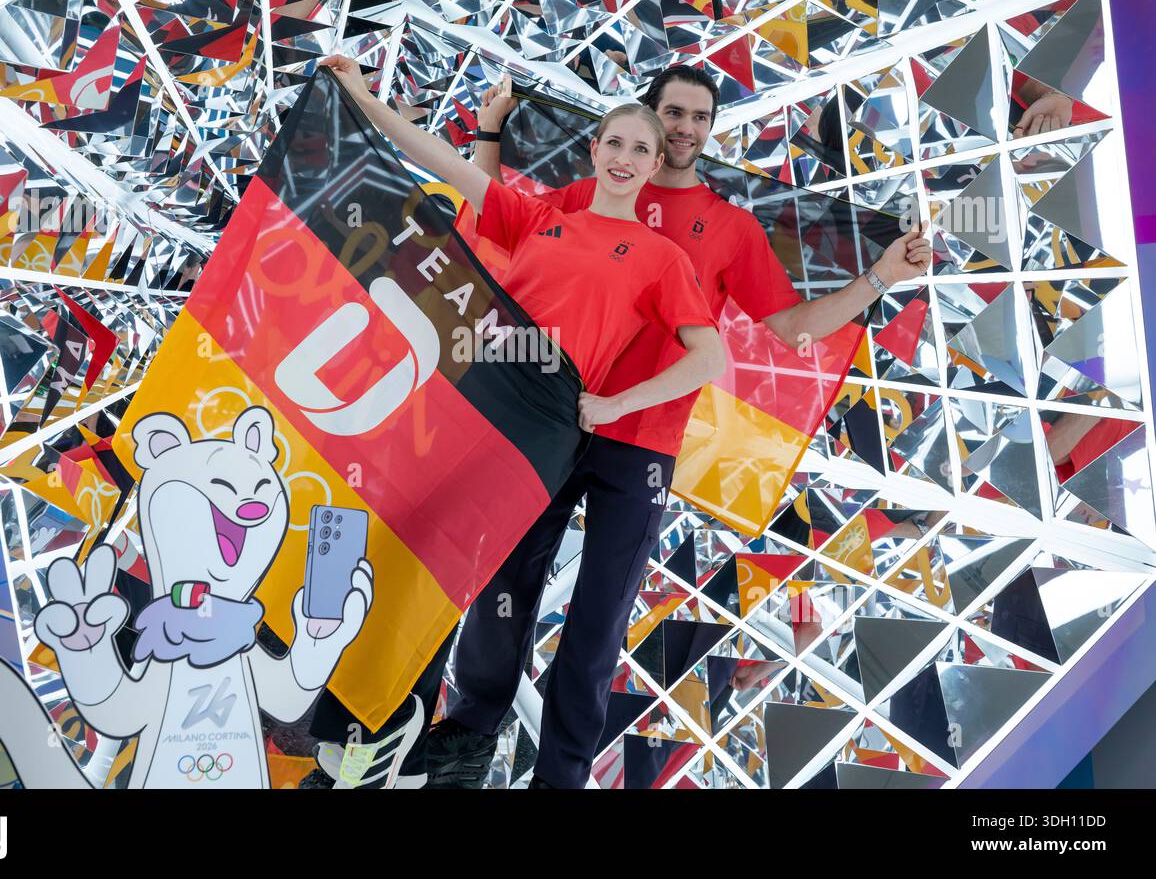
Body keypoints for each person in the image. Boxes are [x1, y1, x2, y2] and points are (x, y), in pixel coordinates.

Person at [427, 63, 931, 789]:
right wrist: (491, 127)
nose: (685, 127)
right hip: (557, 424)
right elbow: (497, 213)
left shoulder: (731, 227)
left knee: (598, 621)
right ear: (647, 122)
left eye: (700, 117)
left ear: (709, 130)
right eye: (673, 112)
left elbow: (793, 328)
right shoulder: (592, 193)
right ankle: (467, 734)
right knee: (506, 583)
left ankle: (560, 776)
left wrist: (881, 276)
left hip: (642, 447)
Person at [298, 53, 727, 787]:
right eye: (614, 144)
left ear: (658, 165)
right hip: (473, 394)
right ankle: (369, 736)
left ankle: (426, 747)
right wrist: (366, 101)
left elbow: (709, 355)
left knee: (475, 577)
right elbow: (433, 157)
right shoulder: (538, 216)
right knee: (421, 563)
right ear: (594, 152)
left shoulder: (660, 257)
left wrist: (617, 404)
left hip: (545, 423)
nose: (625, 159)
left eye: (641, 150)